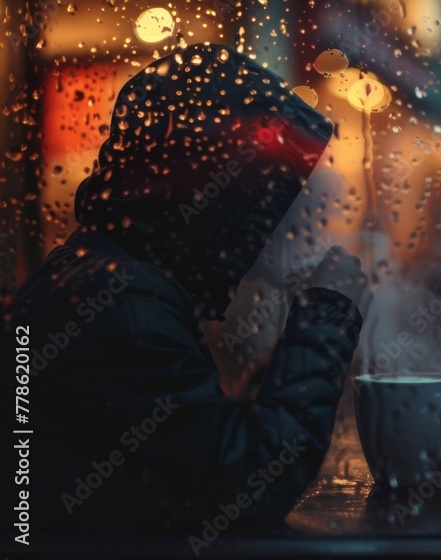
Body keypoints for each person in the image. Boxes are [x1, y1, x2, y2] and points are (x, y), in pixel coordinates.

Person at [2, 43, 368, 533]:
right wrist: (327, 315)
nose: (273, 226)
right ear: (215, 197)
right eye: (263, 200)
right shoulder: (121, 303)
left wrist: (276, 370)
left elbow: (186, 450)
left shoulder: (99, 273)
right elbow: (240, 491)